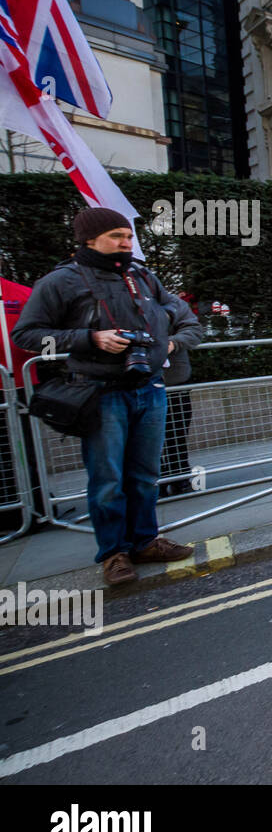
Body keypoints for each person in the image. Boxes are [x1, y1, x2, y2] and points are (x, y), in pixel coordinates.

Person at [13, 208, 202, 586]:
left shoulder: (143, 276)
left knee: (146, 475)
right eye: (117, 236)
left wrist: (167, 345)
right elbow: (28, 335)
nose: (126, 243)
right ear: (88, 239)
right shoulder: (60, 281)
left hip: (149, 389)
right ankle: (114, 553)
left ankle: (146, 540)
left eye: (129, 237)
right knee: (107, 480)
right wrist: (90, 339)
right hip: (100, 394)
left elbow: (186, 322)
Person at [159, 290, 200, 498]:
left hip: (173, 379)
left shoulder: (170, 301)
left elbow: (193, 329)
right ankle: (154, 479)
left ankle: (179, 476)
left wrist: (172, 343)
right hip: (132, 382)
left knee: (176, 430)